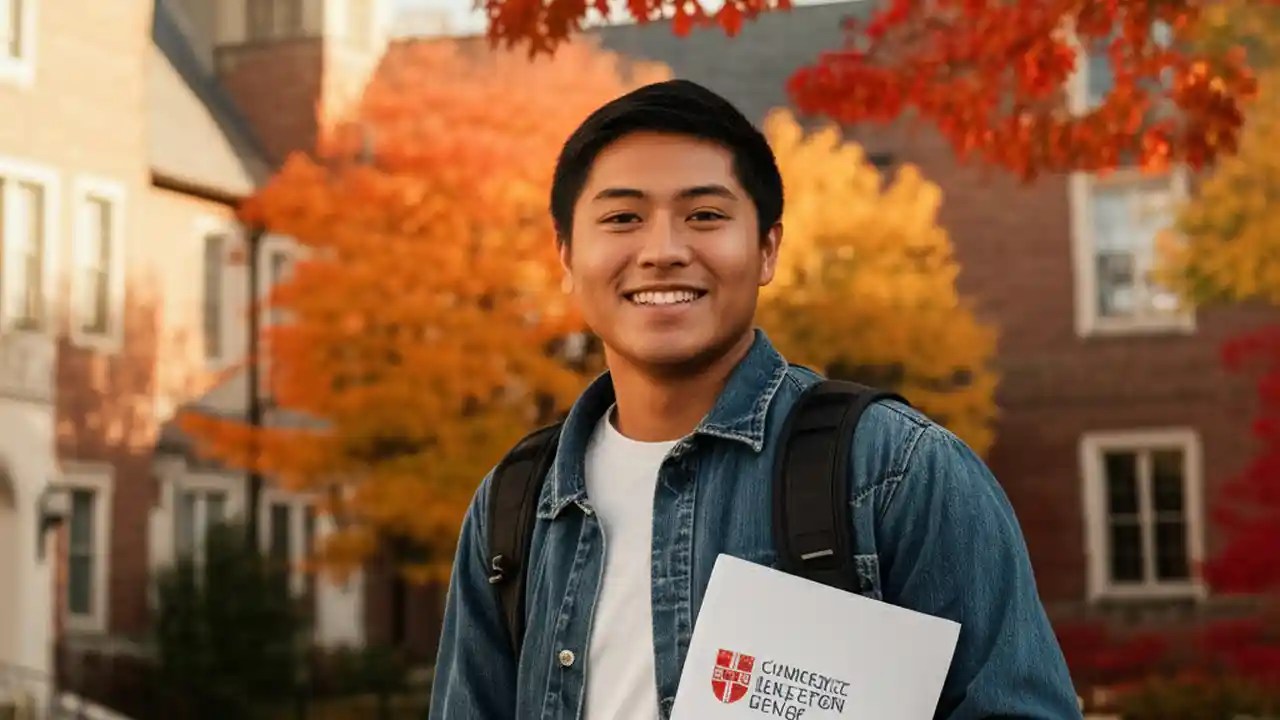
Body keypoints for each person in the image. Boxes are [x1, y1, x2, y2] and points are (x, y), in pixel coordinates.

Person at [428, 78, 1082, 720]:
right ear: (567, 256)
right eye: (623, 218)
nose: (663, 251)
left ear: (767, 249)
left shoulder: (895, 471)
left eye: (704, 216)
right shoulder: (515, 504)